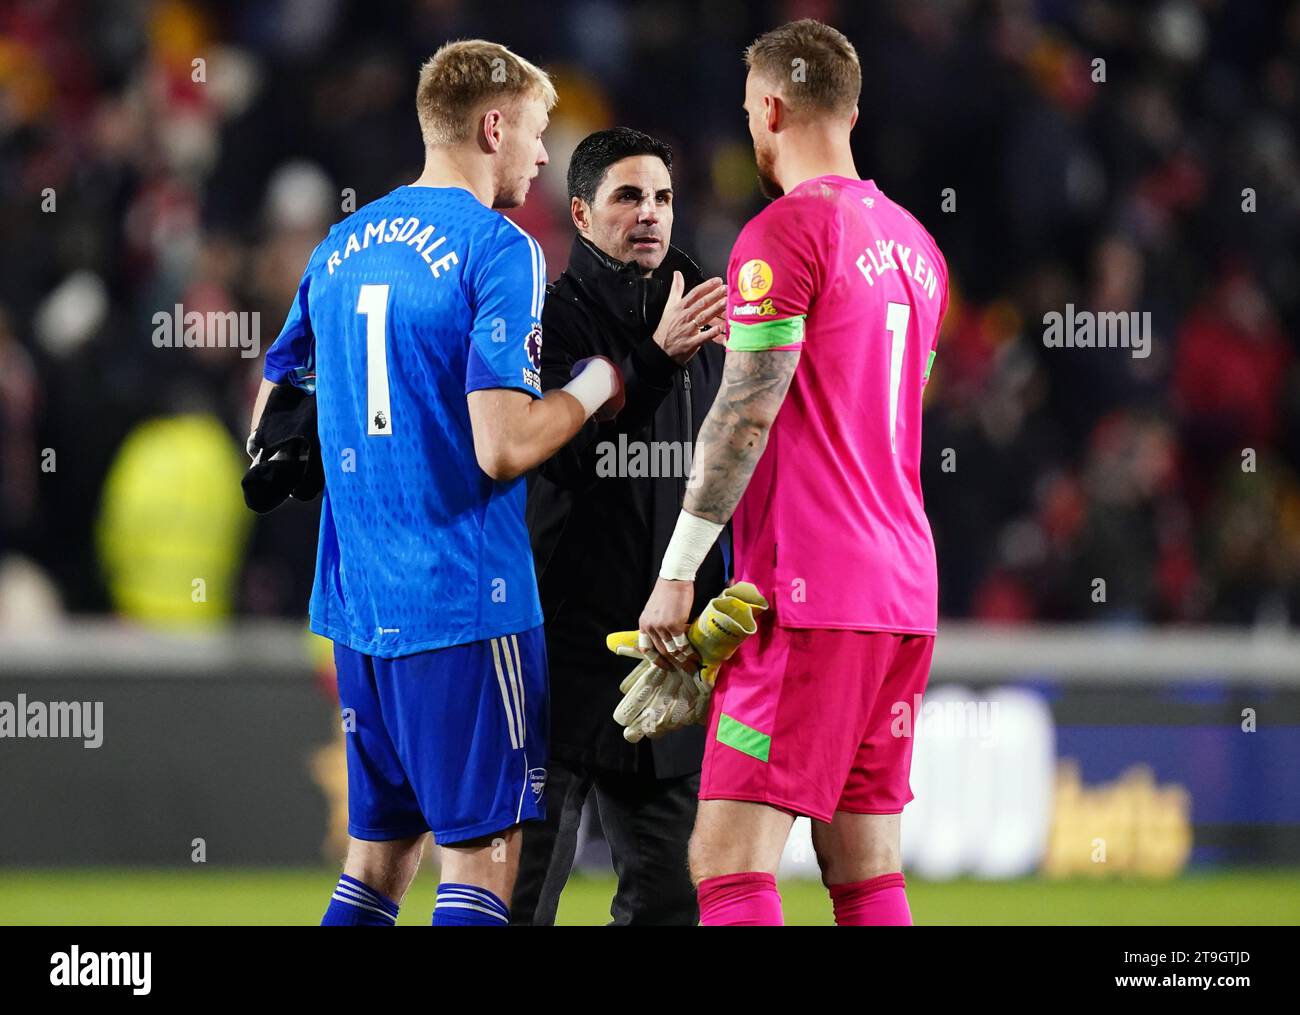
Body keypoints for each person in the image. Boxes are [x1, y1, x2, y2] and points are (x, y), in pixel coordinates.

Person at [249, 39, 624, 927]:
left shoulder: (340, 247)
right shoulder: (502, 249)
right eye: (536, 133)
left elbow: (268, 419)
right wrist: (596, 385)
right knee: (483, 869)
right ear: (493, 126)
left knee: (376, 868)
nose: (541, 156)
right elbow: (502, 446)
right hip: (463, 604)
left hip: (358, 612)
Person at [636, 19, 949, 926]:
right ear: (851, 111)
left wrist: (679, 571)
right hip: (901, 593)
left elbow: (746, 413)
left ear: (770, 108)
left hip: (810, 590)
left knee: (726, 859)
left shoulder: (785, 232)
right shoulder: (920, 251)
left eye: (748, 112)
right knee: (864, 865)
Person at [512, 128, 727, 925]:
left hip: (666, 649)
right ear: (581, 211)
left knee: (672, 899)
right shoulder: (548, 320)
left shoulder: (706, 315)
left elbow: (725, 463)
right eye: (629, 196)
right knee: (522, 893)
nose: (651, 214)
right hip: (559, 645)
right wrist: (656, 362)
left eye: (663, 197)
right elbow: (561, 458)